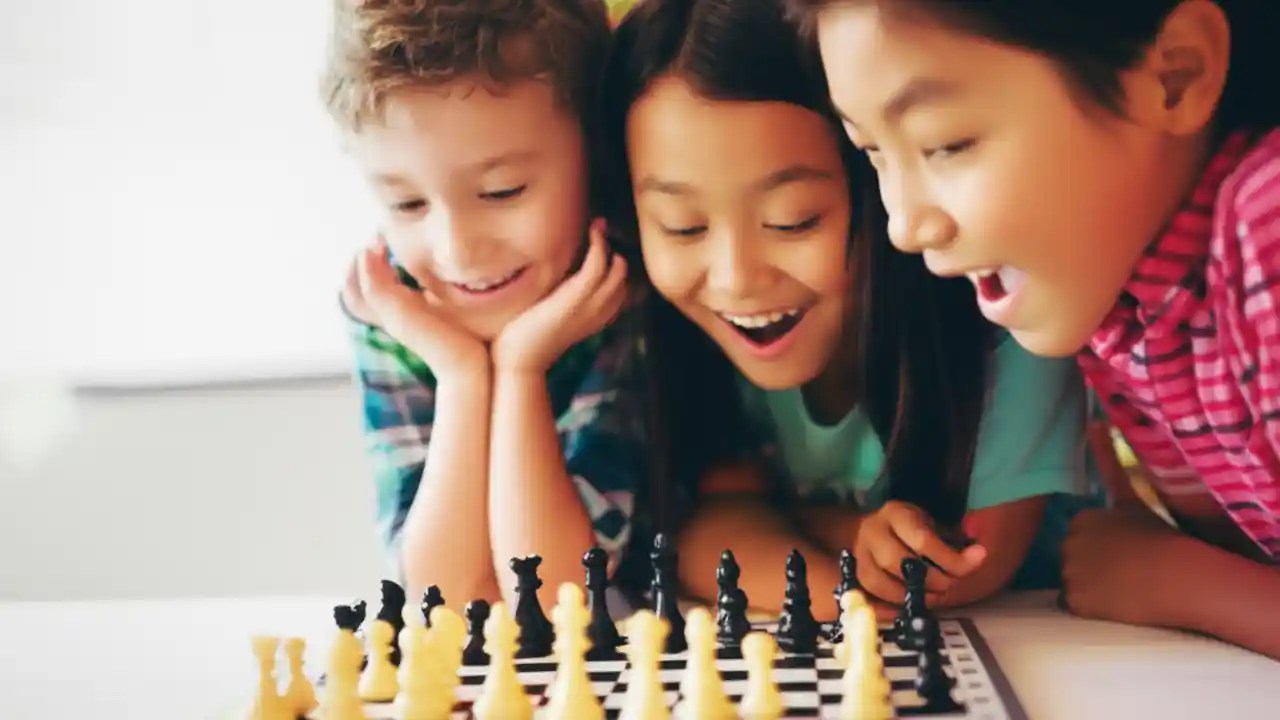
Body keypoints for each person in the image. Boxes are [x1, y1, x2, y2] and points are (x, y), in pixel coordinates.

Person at [793, 0, 1280, 657]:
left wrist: (1181, 581)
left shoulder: (1267, 224)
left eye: (945, 144)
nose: (904, 226)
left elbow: (1200, 572)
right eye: (874, 153)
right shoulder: (1117, 301)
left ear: (1175, 75)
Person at [599, 0, 1091, 615]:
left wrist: (798, 528)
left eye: (793, 220)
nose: (737, 279)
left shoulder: (1004, 321)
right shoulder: (697, 345)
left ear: (883, 180)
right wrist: (842, 558)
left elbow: (963, 565)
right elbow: (706, 536)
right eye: (682, 227)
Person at [319, 0, 648, 607]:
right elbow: (443, 596)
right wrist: (463, 375)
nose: (458, 250)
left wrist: (521, 368)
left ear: (595, 151)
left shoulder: (620, 289)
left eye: (502, 191)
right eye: (407, 205)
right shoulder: (393, 307)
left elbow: (558, 596)